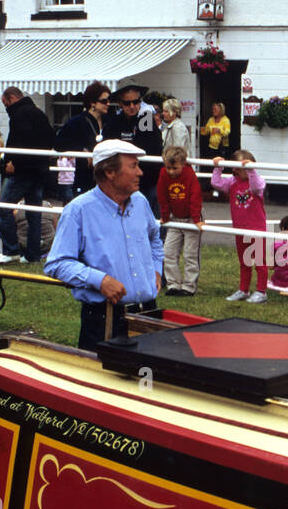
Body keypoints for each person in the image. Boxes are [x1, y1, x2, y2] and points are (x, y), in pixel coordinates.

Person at [45, 140, 164, 351]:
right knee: (100, 380)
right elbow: (57, 263)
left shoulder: (141, 202)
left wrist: (156, 269)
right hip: (104, 318)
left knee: (150, 378)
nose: (140, 173)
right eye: (133, 166)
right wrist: (100, 280)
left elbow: (155, 237)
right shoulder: (78, 211)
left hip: (147, 314)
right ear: (109, 172)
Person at [0, 87, 56, 265]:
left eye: (6, 104)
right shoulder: (39, 114)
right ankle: (32, 254)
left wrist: (13, 162)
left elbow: (19, 142)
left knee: (3, 209)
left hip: (23, 172)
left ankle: (11, 250)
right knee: (34, 213)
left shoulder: (19, 114)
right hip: (39, 170)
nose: (6, 108)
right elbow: (50, 138)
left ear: (12, 98)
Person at [211, 149, 268, 303]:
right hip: (240, 228)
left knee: (260, 262)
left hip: (257, 229)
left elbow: (256, 188)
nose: (237, 170)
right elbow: (216, 183)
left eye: (241, 167)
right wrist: (218, 167)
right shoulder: (232, 181)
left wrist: (251, 171)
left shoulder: (258, 180)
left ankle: (261, 291)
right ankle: (243, 289)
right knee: (244, 261)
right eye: (236, 167)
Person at [103, 82, 163, 214]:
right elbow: (107, 145)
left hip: (147, 178)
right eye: (127, 103)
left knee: (152, 217)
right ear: (120, 104)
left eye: (136, 102)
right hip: (122, 180)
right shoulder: (115, 122)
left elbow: (151, 147)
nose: (132, 106)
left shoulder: (145, 119)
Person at [157, 144, 204, 295]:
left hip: (191, 218)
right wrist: (165, 217)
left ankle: (189, 287)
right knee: (168, 252)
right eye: (168, 168)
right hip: (175, 218)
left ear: (183, 164)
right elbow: (162, 196)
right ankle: (173, 284)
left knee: (190, 254)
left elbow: (195, 196)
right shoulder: (164, 174)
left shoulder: (189, 174)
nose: (171, 172)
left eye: (174, 168)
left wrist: (196, 218)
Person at [54, 81, 112, 198]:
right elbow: (59, 144)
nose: (108, 104)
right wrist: (82, 152)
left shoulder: (108, 121)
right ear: (93, 103)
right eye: (104, 101)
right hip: (84, 176)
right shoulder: (78, 121)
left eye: (109, 100)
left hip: (105, 176)